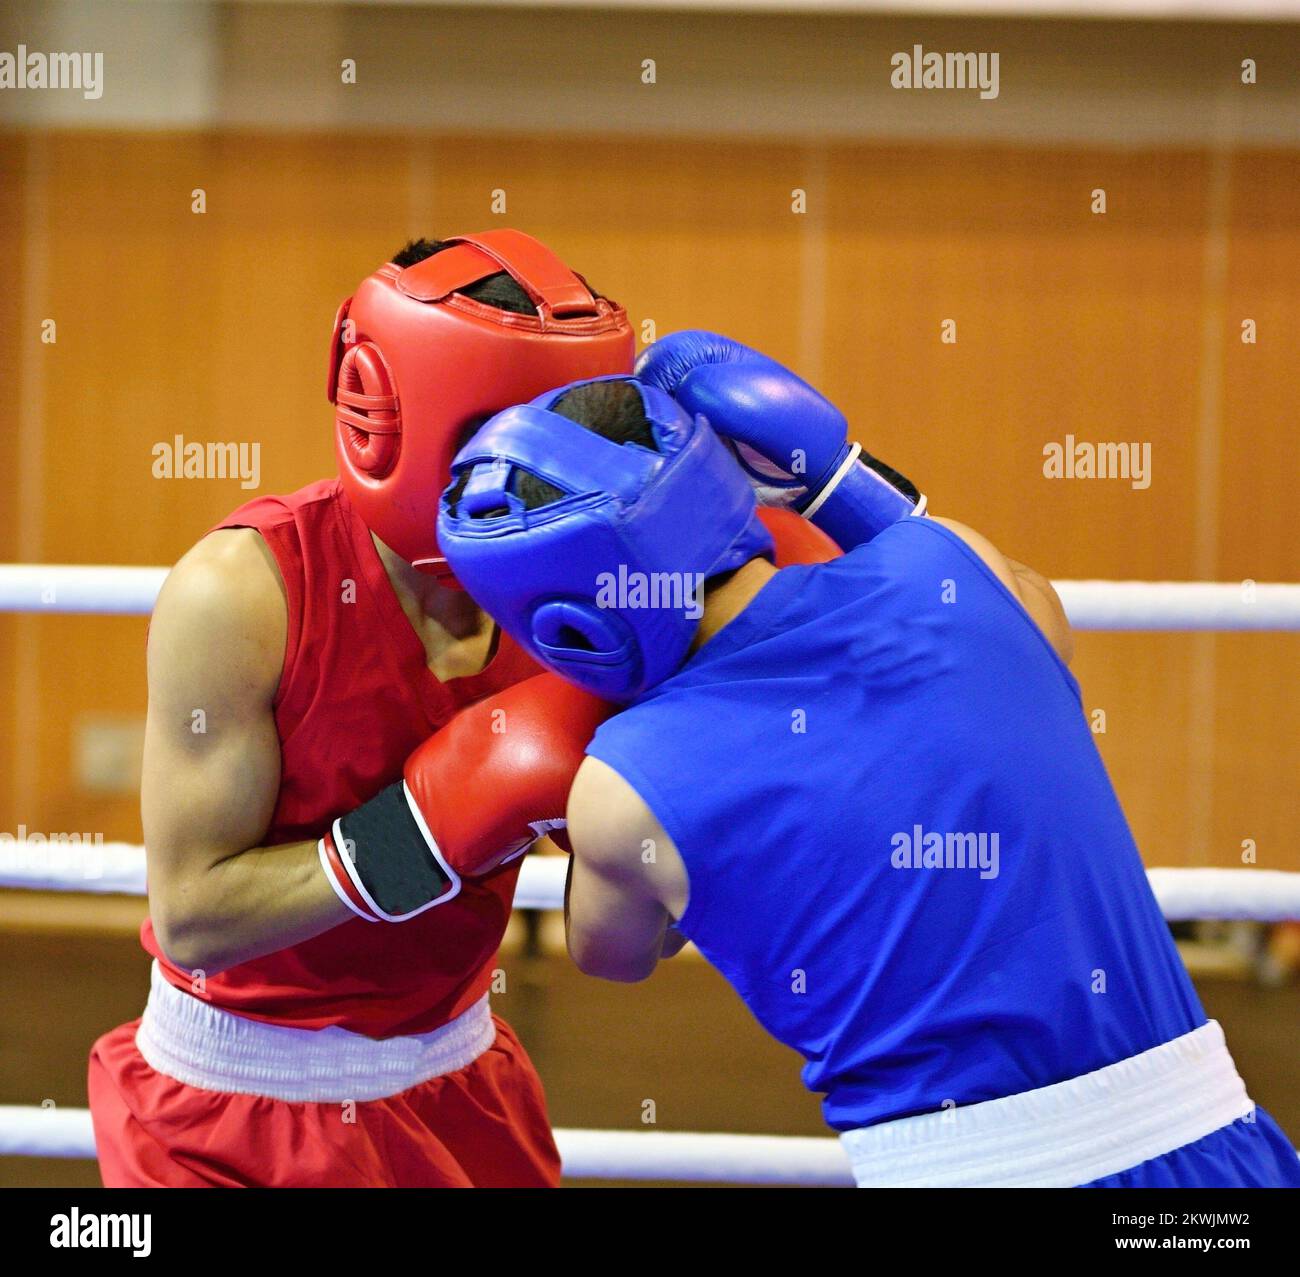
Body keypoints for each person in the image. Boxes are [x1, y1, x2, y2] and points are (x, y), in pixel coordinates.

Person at [437, 362, 1300, 1188]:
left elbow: (611, 954)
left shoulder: (624, 793)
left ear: (563, 622)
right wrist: (836, 479)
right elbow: (1031, 614)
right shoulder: (955, 573)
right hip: (1220, 1156)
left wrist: (571, 777)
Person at [87, 230, 634, 1188]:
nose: (545, 478)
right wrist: (426, 833)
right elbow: (191, 913)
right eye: (505, 437)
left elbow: (623, 926)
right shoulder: (245, 595)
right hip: (229, 1110)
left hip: (458, 1084)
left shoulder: (579, 585)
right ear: (387, 415)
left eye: (568, 436)